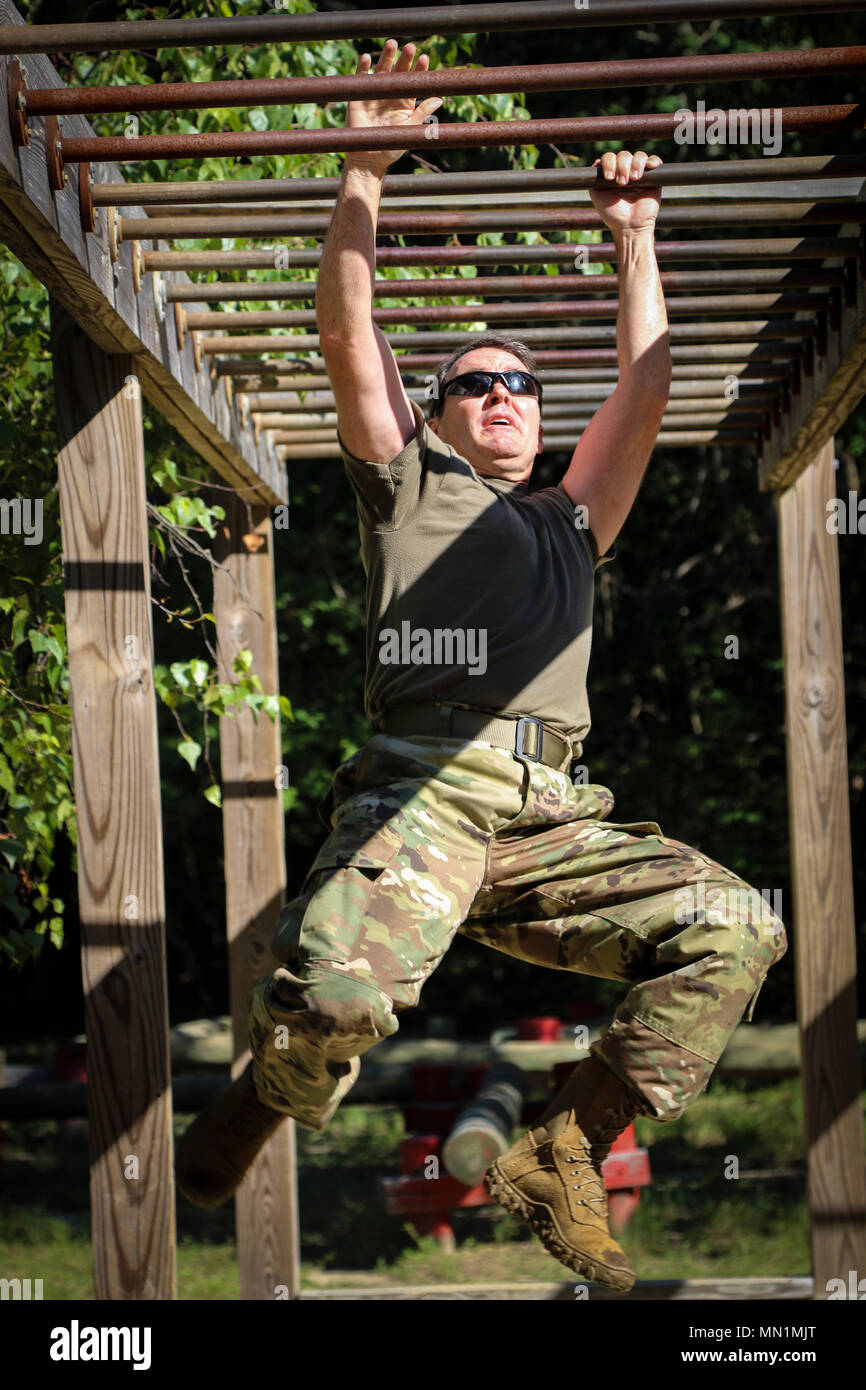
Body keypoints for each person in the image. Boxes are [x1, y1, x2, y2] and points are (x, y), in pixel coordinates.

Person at [177, 41, 787, 1293]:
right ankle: (277, 1083)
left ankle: (564, 1146)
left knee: (737, 927)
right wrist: (363, 169)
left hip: (554, 813)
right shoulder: (405, 480)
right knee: (340, 998)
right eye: (475, 381)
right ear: (441, 409)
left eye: (521, 382)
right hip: (427, 785)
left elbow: (648, 382)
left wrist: (632, 236)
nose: (502, 392)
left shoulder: (573, 517)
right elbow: (345, 326)